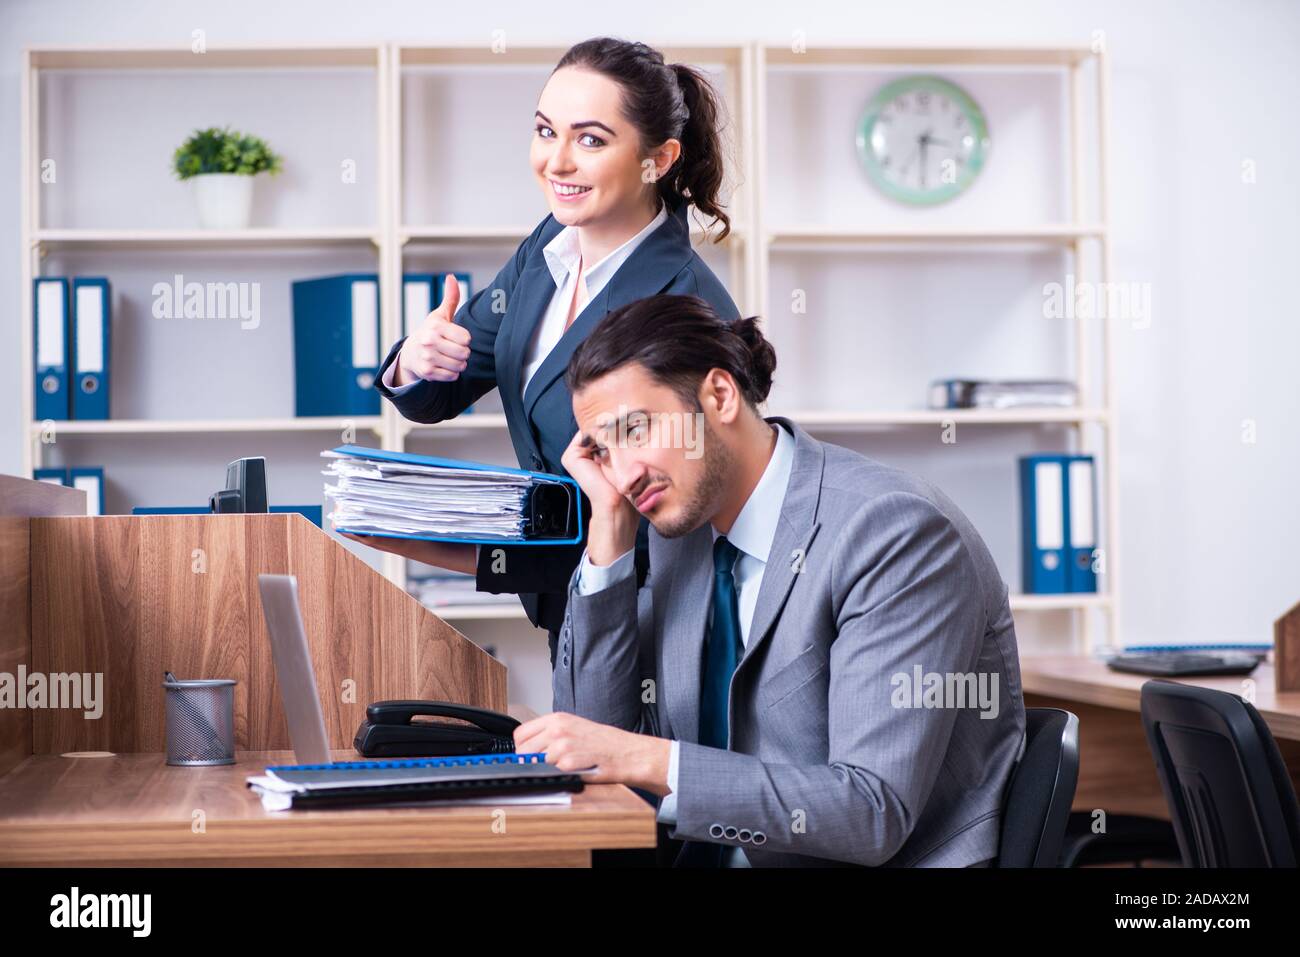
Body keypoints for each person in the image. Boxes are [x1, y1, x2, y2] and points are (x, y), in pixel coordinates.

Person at [513, 294, 1028, 867]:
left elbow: (870, 813)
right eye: (603, 451)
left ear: (719, 395)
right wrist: (608, 530)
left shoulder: (892, 531)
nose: (624, 473)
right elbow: (599, 748)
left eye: (636, 429)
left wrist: (652, 761)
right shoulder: (676, 533)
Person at [357, 38, 740, 668]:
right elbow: (443, 391)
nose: (556, 161)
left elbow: (677, 518)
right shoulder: (547, 250)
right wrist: (418, 360)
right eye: (544, 131)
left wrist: (477, 548)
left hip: (657, 625)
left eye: (590, 140)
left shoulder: (686, 305)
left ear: (658, 159)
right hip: (568, 606)